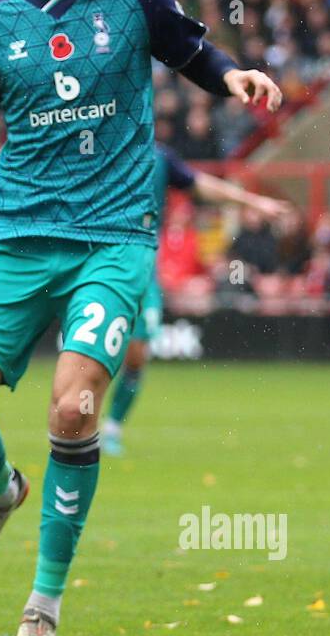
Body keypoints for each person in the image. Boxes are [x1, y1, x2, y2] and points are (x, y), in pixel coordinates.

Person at [0, 0, 283, 636]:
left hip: (113, 239)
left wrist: (233, 79)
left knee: (73, 404)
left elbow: (194, 53)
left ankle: (42, 604)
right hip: (13, 237)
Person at [103, 151, 292, 456]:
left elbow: (205, 185)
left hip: (142, 274)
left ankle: (112, 427)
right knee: (97, 355)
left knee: (135, 356)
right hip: (96, 268)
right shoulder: (100, 148)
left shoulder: (159, 158)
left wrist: (254, 203)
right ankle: (76, 429)